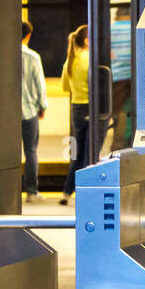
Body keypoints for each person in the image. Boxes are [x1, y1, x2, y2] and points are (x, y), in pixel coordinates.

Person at [59, 24, 90, 205]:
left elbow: (64, 87)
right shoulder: (89, 59)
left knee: (77, 152)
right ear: (87, 41)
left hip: (76, 108)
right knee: (89, 152)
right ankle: (85, 193)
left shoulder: (70, 60)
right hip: (91, 107)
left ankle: (66, 192)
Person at [20, 20, 47, 200]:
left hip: (6, 114)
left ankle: (9, 190)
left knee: (8, 153)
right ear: (28, 36)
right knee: (31, 151)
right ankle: (31, 191)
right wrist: (42, 106)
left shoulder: (3, 55)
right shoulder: (32, 57)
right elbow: (40, 85)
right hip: (28, 111)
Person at [109, 6, 133, 147]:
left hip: (117, 77)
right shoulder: (134, 27)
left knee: (118, 114)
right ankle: (127, 141)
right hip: (134, 77)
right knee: (132, 111)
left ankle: (119, 144)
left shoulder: (111, 30)